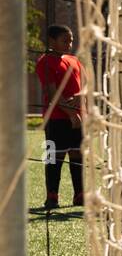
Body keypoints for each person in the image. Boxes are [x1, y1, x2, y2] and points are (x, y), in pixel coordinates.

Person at [34, 25, 84, 209]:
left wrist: (80, 96)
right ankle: (52, 196)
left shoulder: (75, 60)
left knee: (78, 155)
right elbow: (52, 92)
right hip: (56, 118)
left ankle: (80, 195)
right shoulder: (45, 61)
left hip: (78, 117)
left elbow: (86, 85)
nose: (69, 44)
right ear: (52, 41)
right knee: (55, 156)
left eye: (71, 40)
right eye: (65, 40)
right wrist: (71, 114)